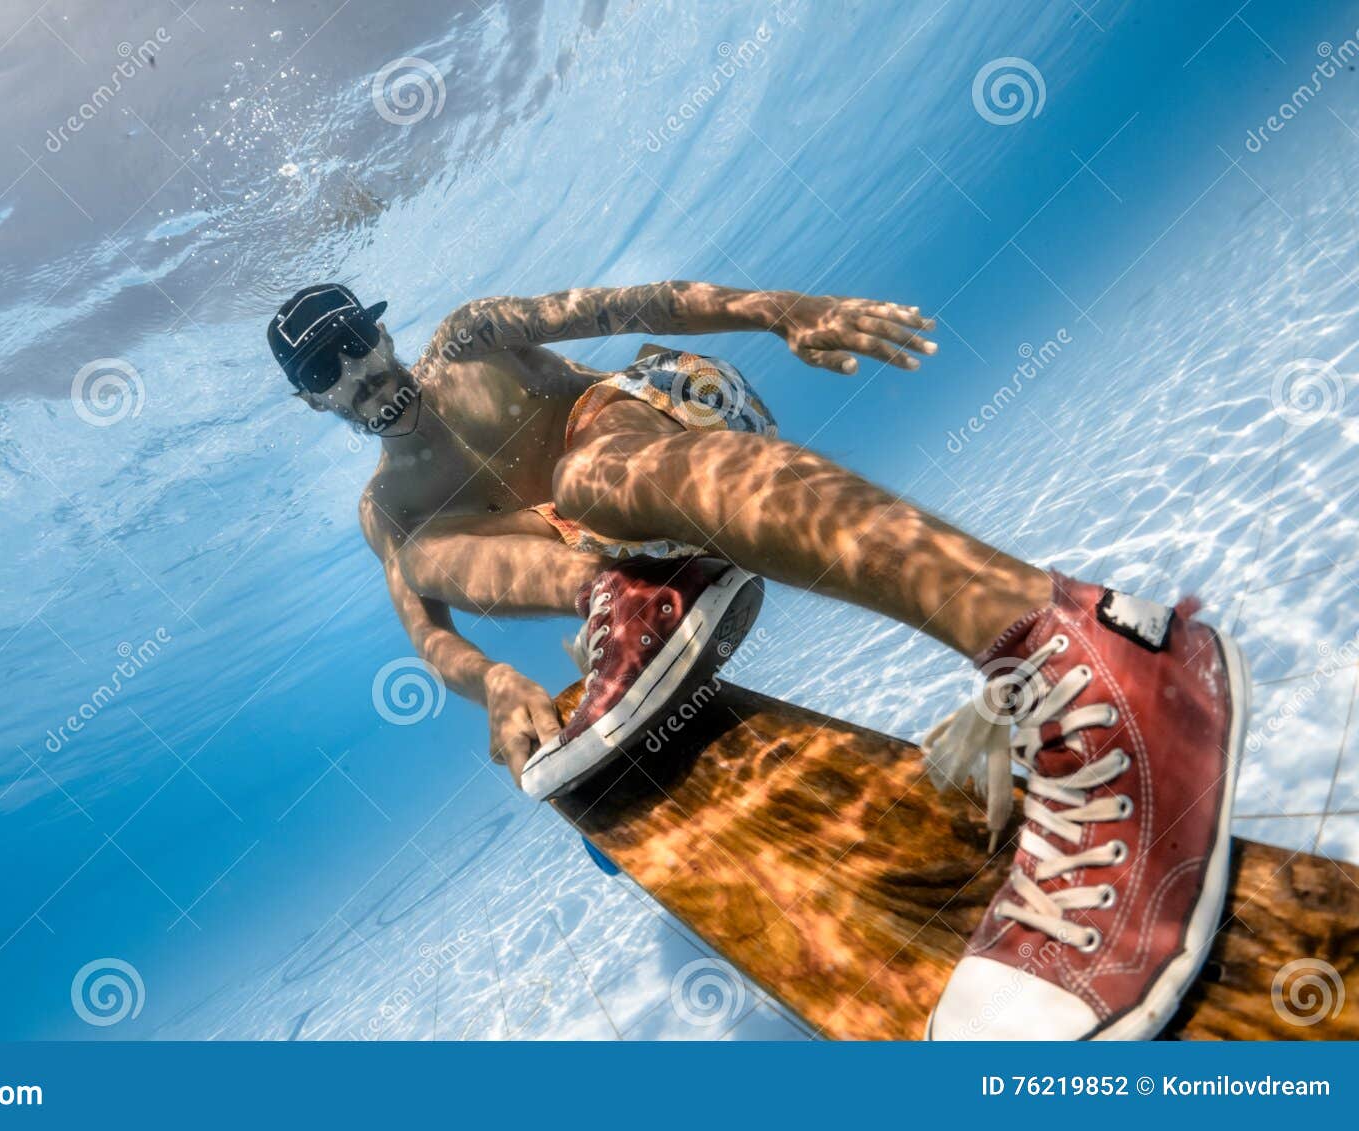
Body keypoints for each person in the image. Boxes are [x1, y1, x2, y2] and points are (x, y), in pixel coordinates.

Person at [267, 280, 1246, 1041]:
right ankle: (626, 601)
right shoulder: (384, 505)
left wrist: (783, 313)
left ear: (382, 333)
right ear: (313, 405)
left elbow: (630, 306)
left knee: (590, 474)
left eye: (355, 343)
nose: (355, 375)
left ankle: (1087, 661)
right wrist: (493, 684)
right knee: (423, 548)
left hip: (668, 426)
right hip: (612, 553)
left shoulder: (473, 339)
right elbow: (425, 628)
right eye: (326, 373)